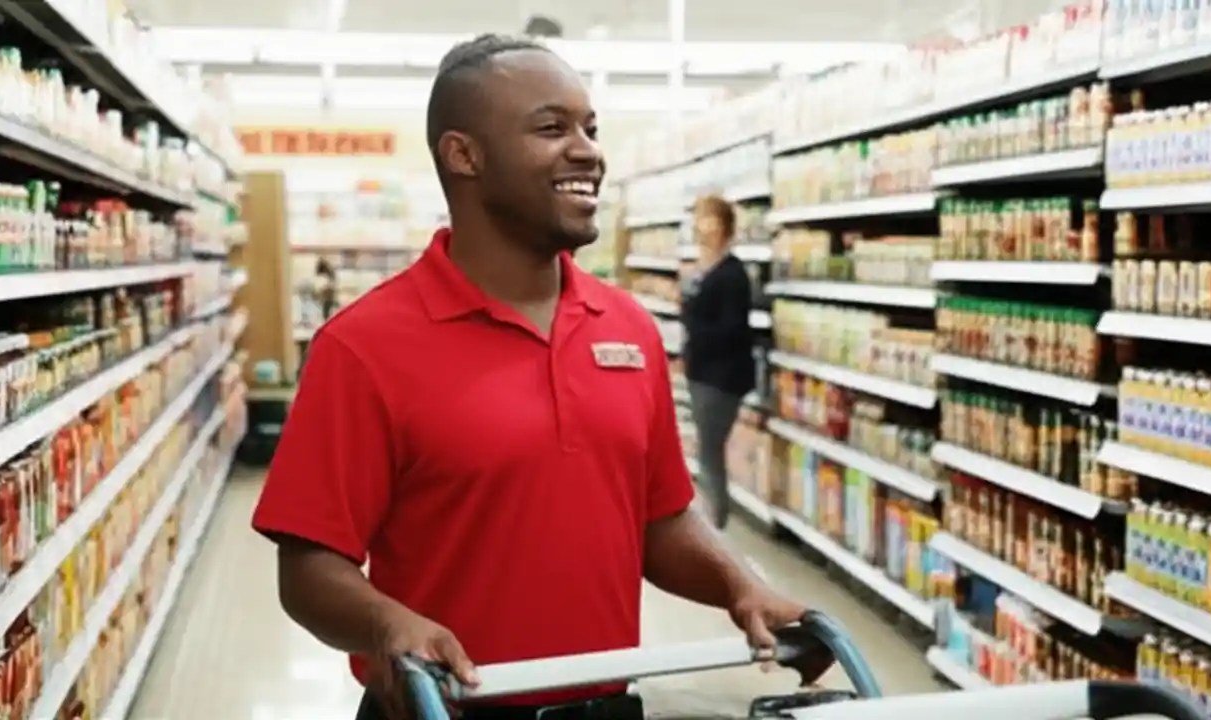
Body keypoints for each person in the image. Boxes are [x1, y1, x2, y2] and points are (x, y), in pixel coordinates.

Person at [250, 33, 806, 720]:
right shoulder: (363, 346)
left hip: (607, 703)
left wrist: (739, 587)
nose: (588, 151)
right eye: (552, 128)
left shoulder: (626, 327)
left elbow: (657, 519)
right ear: (464, 155)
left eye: (590, 128)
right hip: (443, 708)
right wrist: (385, 623)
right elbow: (308, 570)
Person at [680, 195, 756, 530]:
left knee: (710, 452)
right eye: (700, 218)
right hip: (701, 374)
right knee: (707, 450)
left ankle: (715, 523)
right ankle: (711, 520)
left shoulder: (732, 273)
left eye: (710, 219)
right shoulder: (704, 268)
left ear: (725, 226)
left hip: (721, 379)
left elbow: (730, 329)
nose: (703, 226)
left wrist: (693, 320)